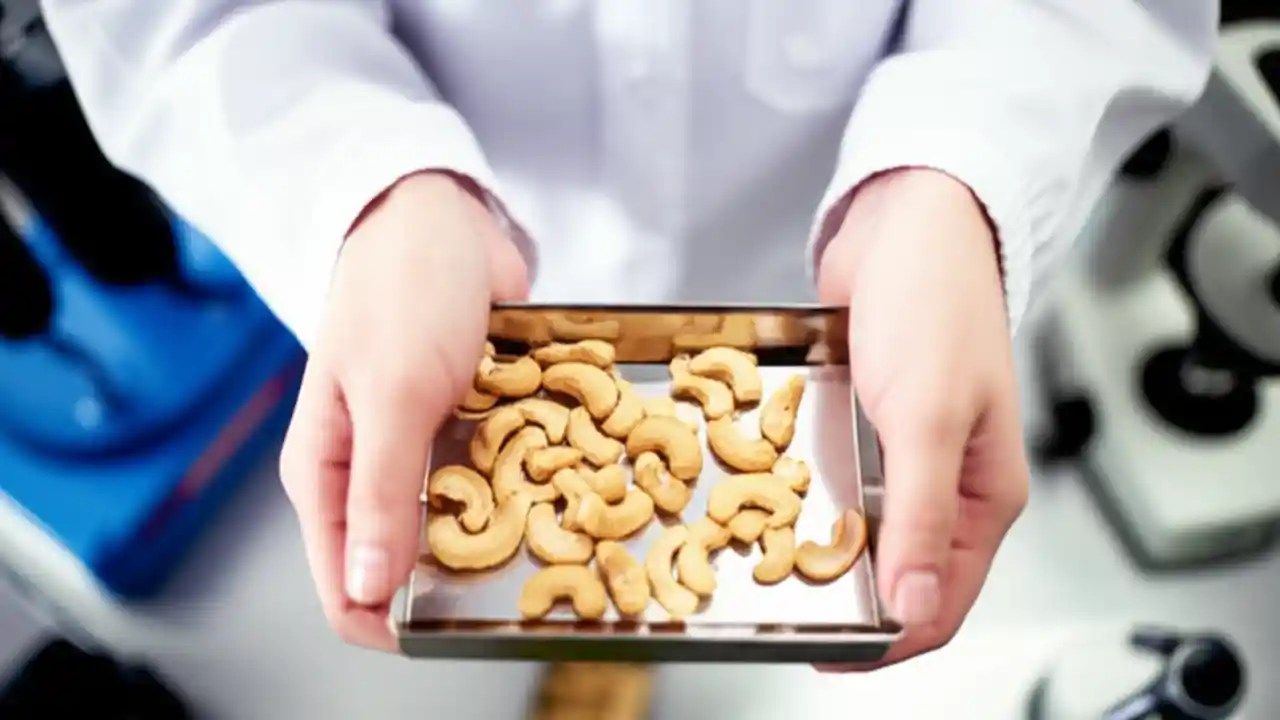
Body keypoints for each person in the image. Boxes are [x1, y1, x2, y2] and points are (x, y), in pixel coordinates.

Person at [40, 1, 1217, 665]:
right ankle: (597, 655)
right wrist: (362, 189)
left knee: (785, 535)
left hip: (865, 275)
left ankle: (619, 656)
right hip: (454, 273)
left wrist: (960, 175)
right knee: (541, 569)